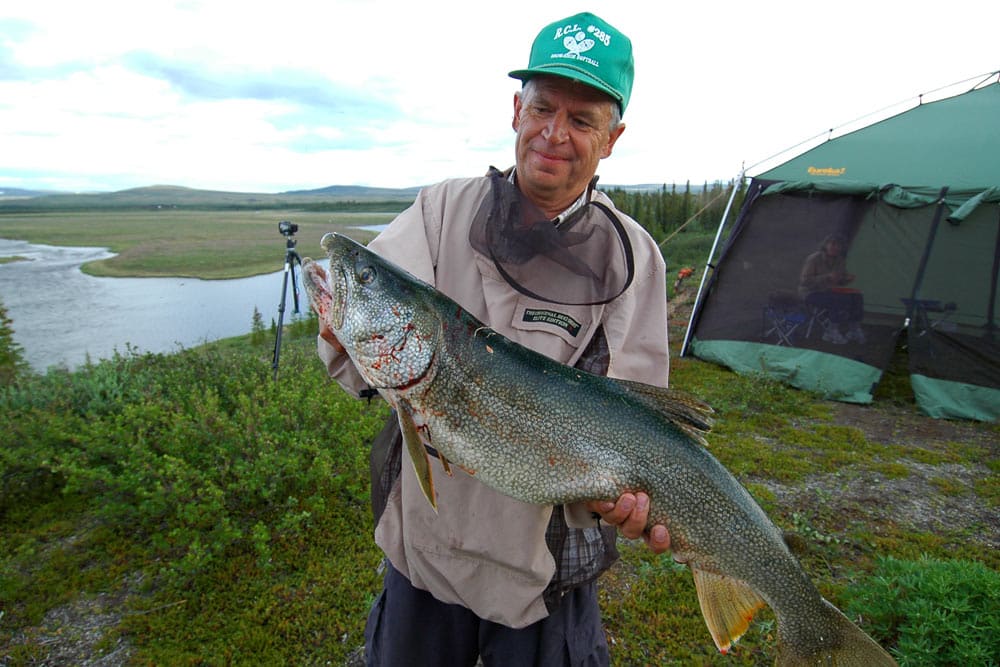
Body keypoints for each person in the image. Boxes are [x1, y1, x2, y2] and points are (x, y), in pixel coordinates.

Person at [317, 12, 671, 666]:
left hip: (543, 578)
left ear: (613, 137)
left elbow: (641, 413)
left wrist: (627, 502)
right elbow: (365, 357)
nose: (554, 133)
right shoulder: (439, 211)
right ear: (516, 110)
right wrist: (340, 332)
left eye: (582, 119)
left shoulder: (635, 260)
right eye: (542, 107)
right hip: (424, 556)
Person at [798, 233, 866, 344]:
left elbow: (839, 281)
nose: (835, 248)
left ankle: (854, 329)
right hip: (811, 292)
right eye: (832, 244)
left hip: (830, 291)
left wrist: (846, 279)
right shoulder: (814, 259)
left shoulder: (840, 260)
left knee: (857, 296)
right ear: (826, 245)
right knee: (838, 300)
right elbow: (805, 281)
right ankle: (830, 331)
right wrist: (826, 277)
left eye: (839, 245)